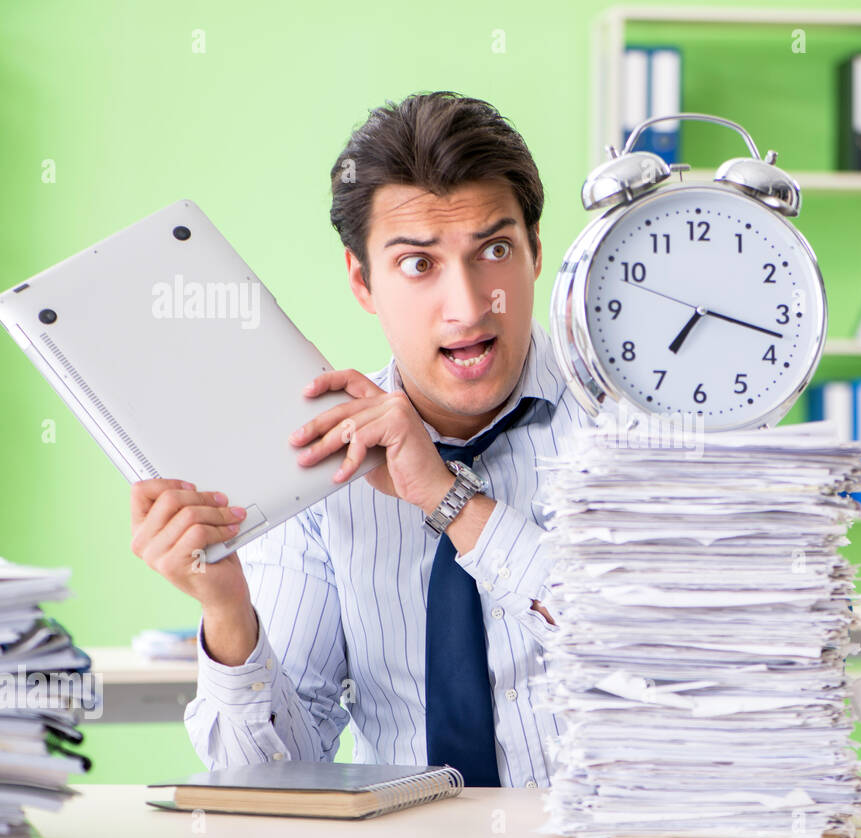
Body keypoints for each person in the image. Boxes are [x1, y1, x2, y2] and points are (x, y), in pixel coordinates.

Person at [128, 92, 588, 787]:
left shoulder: (627, 428)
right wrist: (227, 612)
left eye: (493, 250)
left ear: (534, 254)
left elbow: (661, 667)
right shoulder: (320, 463)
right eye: (417, 264)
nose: (466, 307)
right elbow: (272, 775)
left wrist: (447, 498)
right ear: (362, 281)